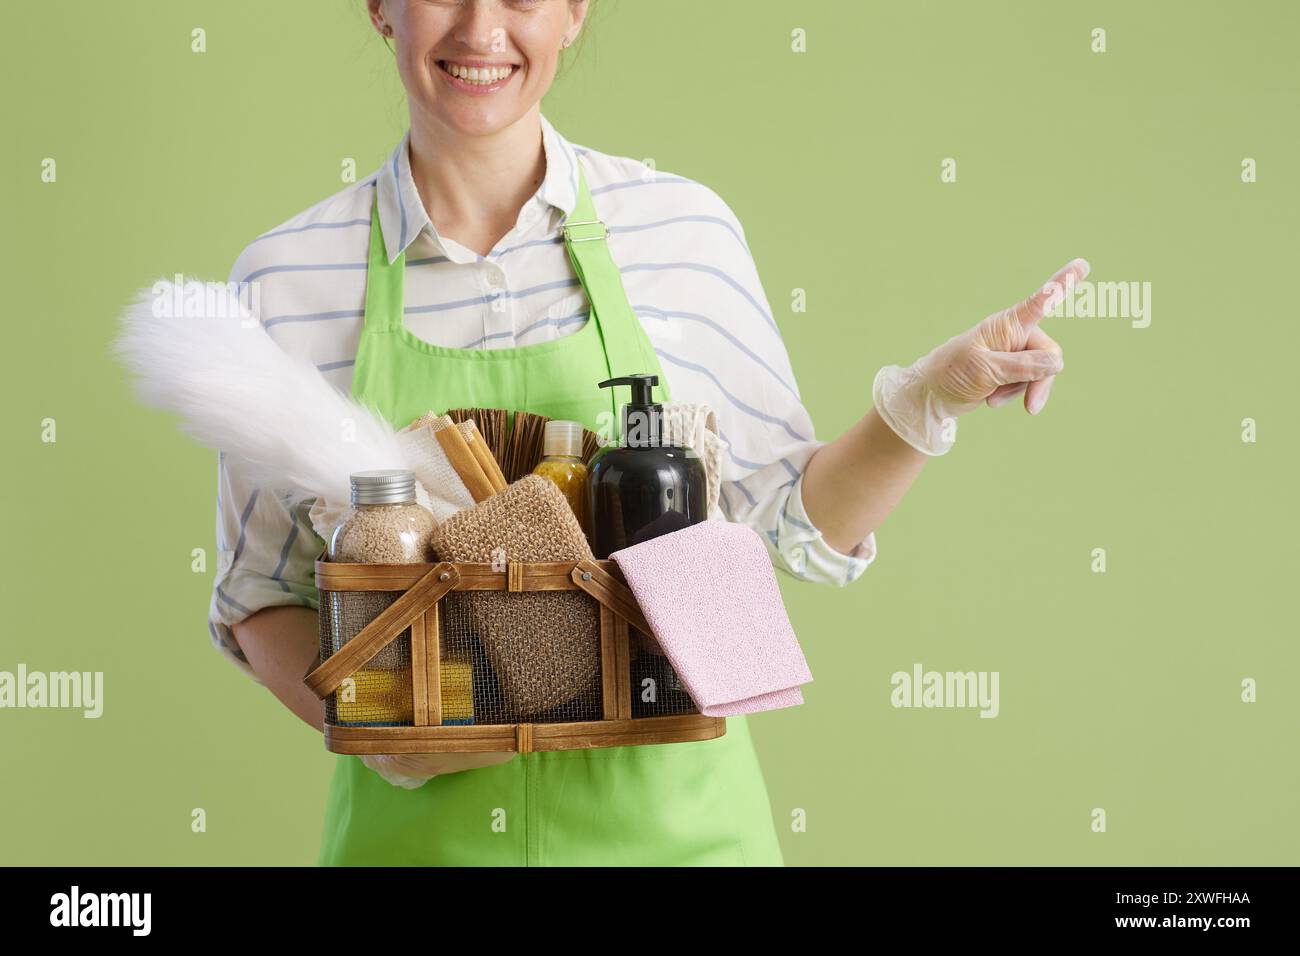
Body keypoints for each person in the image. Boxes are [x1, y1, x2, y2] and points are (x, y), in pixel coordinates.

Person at [208, 0, 1087, 865]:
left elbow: (784, 523)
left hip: (680, 839)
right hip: (414, 848)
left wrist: (924, 401)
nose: (481, 30)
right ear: (380, 8)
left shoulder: (680, 230)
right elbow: (260, 591)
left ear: (575, 11)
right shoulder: (286, 275)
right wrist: (380, 736)